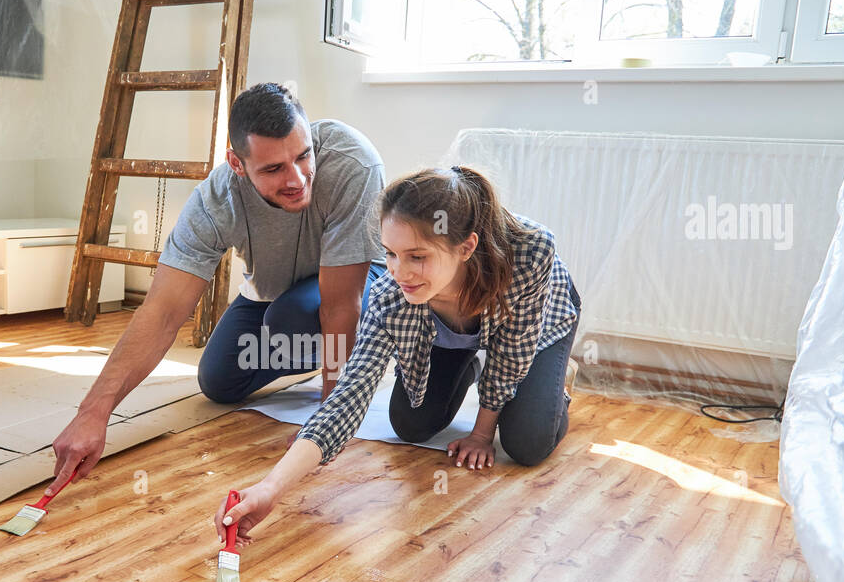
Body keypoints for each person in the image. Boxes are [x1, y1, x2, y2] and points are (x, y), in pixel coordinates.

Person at [213, 165, 582, 547]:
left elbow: (512, 352)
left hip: (538, 325)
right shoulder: (393, 294)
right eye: (390, 253)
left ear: (466, 247)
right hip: (449, 330)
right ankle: (465, 362)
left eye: (417, 256)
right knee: (411, 424)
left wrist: (482, 433)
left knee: (527, 444)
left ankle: (555, 383)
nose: (399, 272)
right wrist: (270, 488)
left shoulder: (530, 254)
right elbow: (348, 398)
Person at [47, 83, 389, 494]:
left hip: (356, 285)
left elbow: (340, 305)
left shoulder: (353, 163)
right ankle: (319, 352)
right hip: (273, 289)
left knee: (295, 317)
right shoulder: (215, 201)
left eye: (303, 156)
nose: (298, 178)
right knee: (219, 381)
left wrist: (329, 424)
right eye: (274, 169)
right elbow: (162, 312)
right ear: (237, 164)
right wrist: (92, 414)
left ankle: (357, 356)